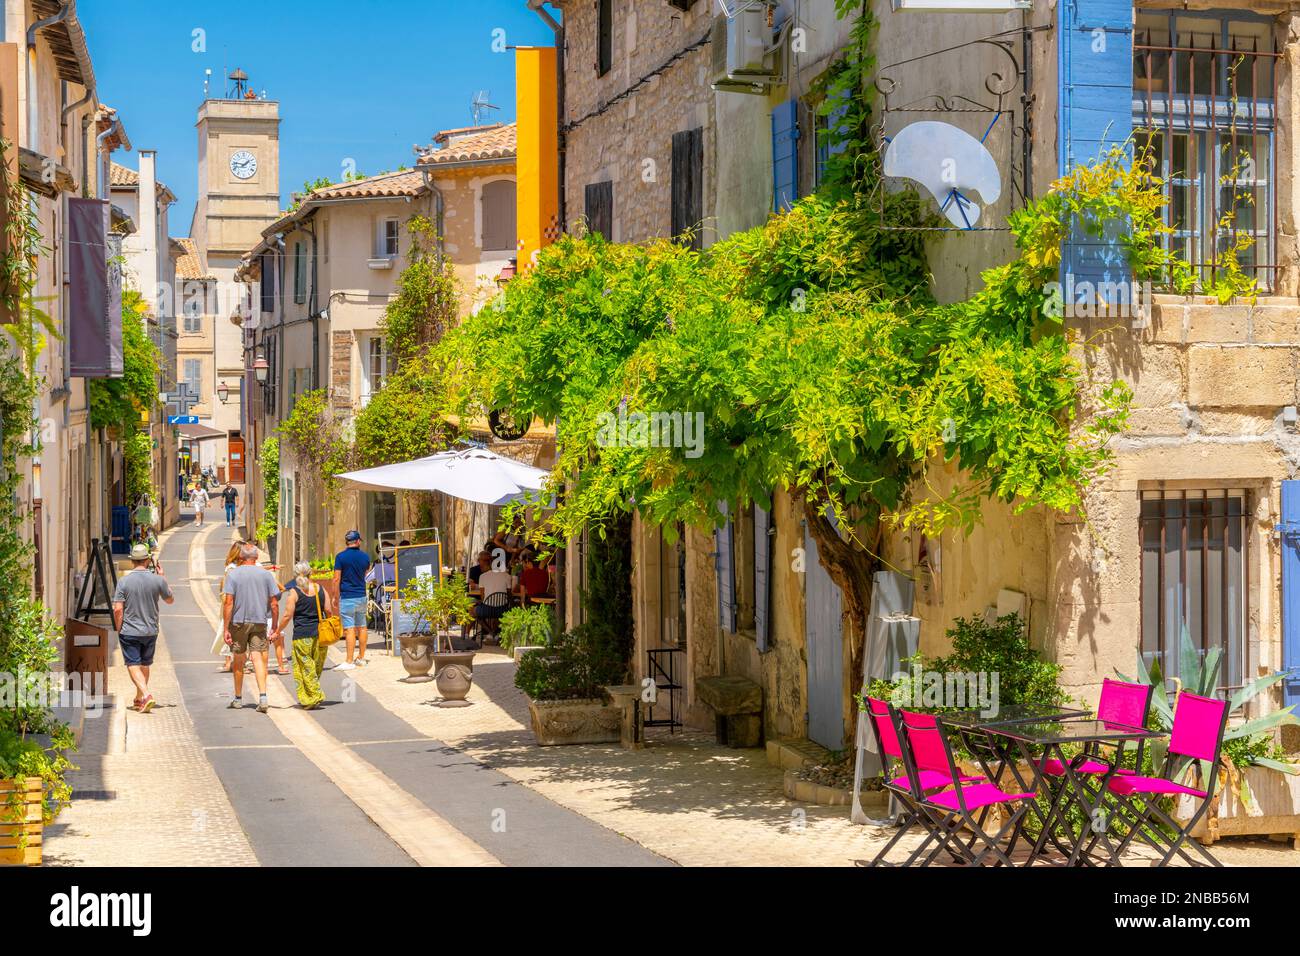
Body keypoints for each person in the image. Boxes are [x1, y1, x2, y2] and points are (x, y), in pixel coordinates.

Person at [111, 543, 174, 713]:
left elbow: (118, 609)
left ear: (132, 561)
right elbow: (170, 599)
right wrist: (163, 577)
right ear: (147, 561)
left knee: (132, 664)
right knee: (145, 664)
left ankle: (146, 694)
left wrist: (118, 628)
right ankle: (139, 699)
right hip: (150, 630)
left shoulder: (123, 582)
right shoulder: (157, 580)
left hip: (130, 630)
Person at [222, 543, 280, 713]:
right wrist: (274, 625)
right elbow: (274, 604)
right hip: (260, 621)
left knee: (239, 660)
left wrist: (226, 628)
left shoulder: (233, 575)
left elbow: (229, 602)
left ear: (241, 557)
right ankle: (263, 697)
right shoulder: (266, 575)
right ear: (256, 558)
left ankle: (238, 698)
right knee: (258, 659)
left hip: (238, 622)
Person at [273, 562, 331, 710]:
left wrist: (278, 630)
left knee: (305, 668)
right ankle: (310, 697)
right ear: (311, 573)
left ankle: (314, 696)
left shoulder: (294, 592)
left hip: (301, 635)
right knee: (315, 668)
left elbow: (287, 615)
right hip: (320, 635)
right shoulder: (321, 589)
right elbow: (329, 610)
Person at [333, 530, 372, 671]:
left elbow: (336, 578)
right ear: (358, 541)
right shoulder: (365, 556)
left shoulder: (340, 557)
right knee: (362, 626)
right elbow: (367, 573)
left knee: (349, 629)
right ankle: (361, 658)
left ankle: (349, 661)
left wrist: (335, 596)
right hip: (361, 595)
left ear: (347, 542)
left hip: (347, 596)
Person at [215, 541, 243, 674]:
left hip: (234, 603)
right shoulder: (232, 568)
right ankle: (228, 661)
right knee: (228, 630)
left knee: (232, 631)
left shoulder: (234, 567)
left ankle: (231, 661)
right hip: (231, 603)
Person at [473, 560, 515, 638]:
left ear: (491, 566)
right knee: (502, 613)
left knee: (472, 611)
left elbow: (482, 596)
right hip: (502, 609)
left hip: (487, 609)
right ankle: (495, 632)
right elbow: (509, 594)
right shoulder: (507, 576)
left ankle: (490, 631)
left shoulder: (483, 576)